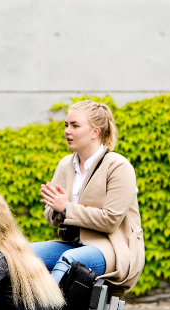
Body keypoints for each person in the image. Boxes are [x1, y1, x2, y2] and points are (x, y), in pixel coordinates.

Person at [31, 100, 145, 294]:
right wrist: (57, 209)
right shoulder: (65, 165)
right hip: (73, 243)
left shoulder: (118, 166)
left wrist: (66, 208)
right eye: (66, 125)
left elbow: (110, 220)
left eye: (75, 126)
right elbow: (53, 218)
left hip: (112, 248)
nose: (67, 131)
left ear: (95, 132)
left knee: (69, 261)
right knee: (21, 255)